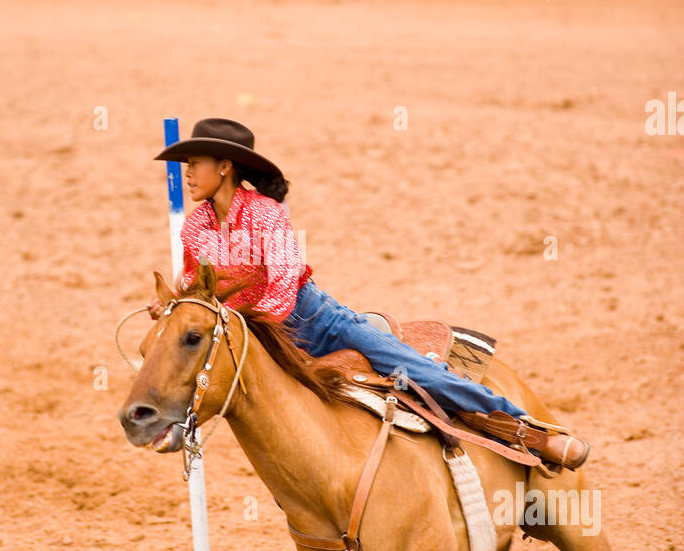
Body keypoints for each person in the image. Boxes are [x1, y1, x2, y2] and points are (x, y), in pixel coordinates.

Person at [151, 117, 589, 470]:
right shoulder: (195, 227)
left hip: (315, 322)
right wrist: (170, 305)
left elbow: (284, 281)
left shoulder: (265, 213)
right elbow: (199, 291)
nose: (188, 174)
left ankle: (531, 431)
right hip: (255, 338)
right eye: (187, 166)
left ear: (224, 167)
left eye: (196, 163)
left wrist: (254, 326)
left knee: (417, 370)